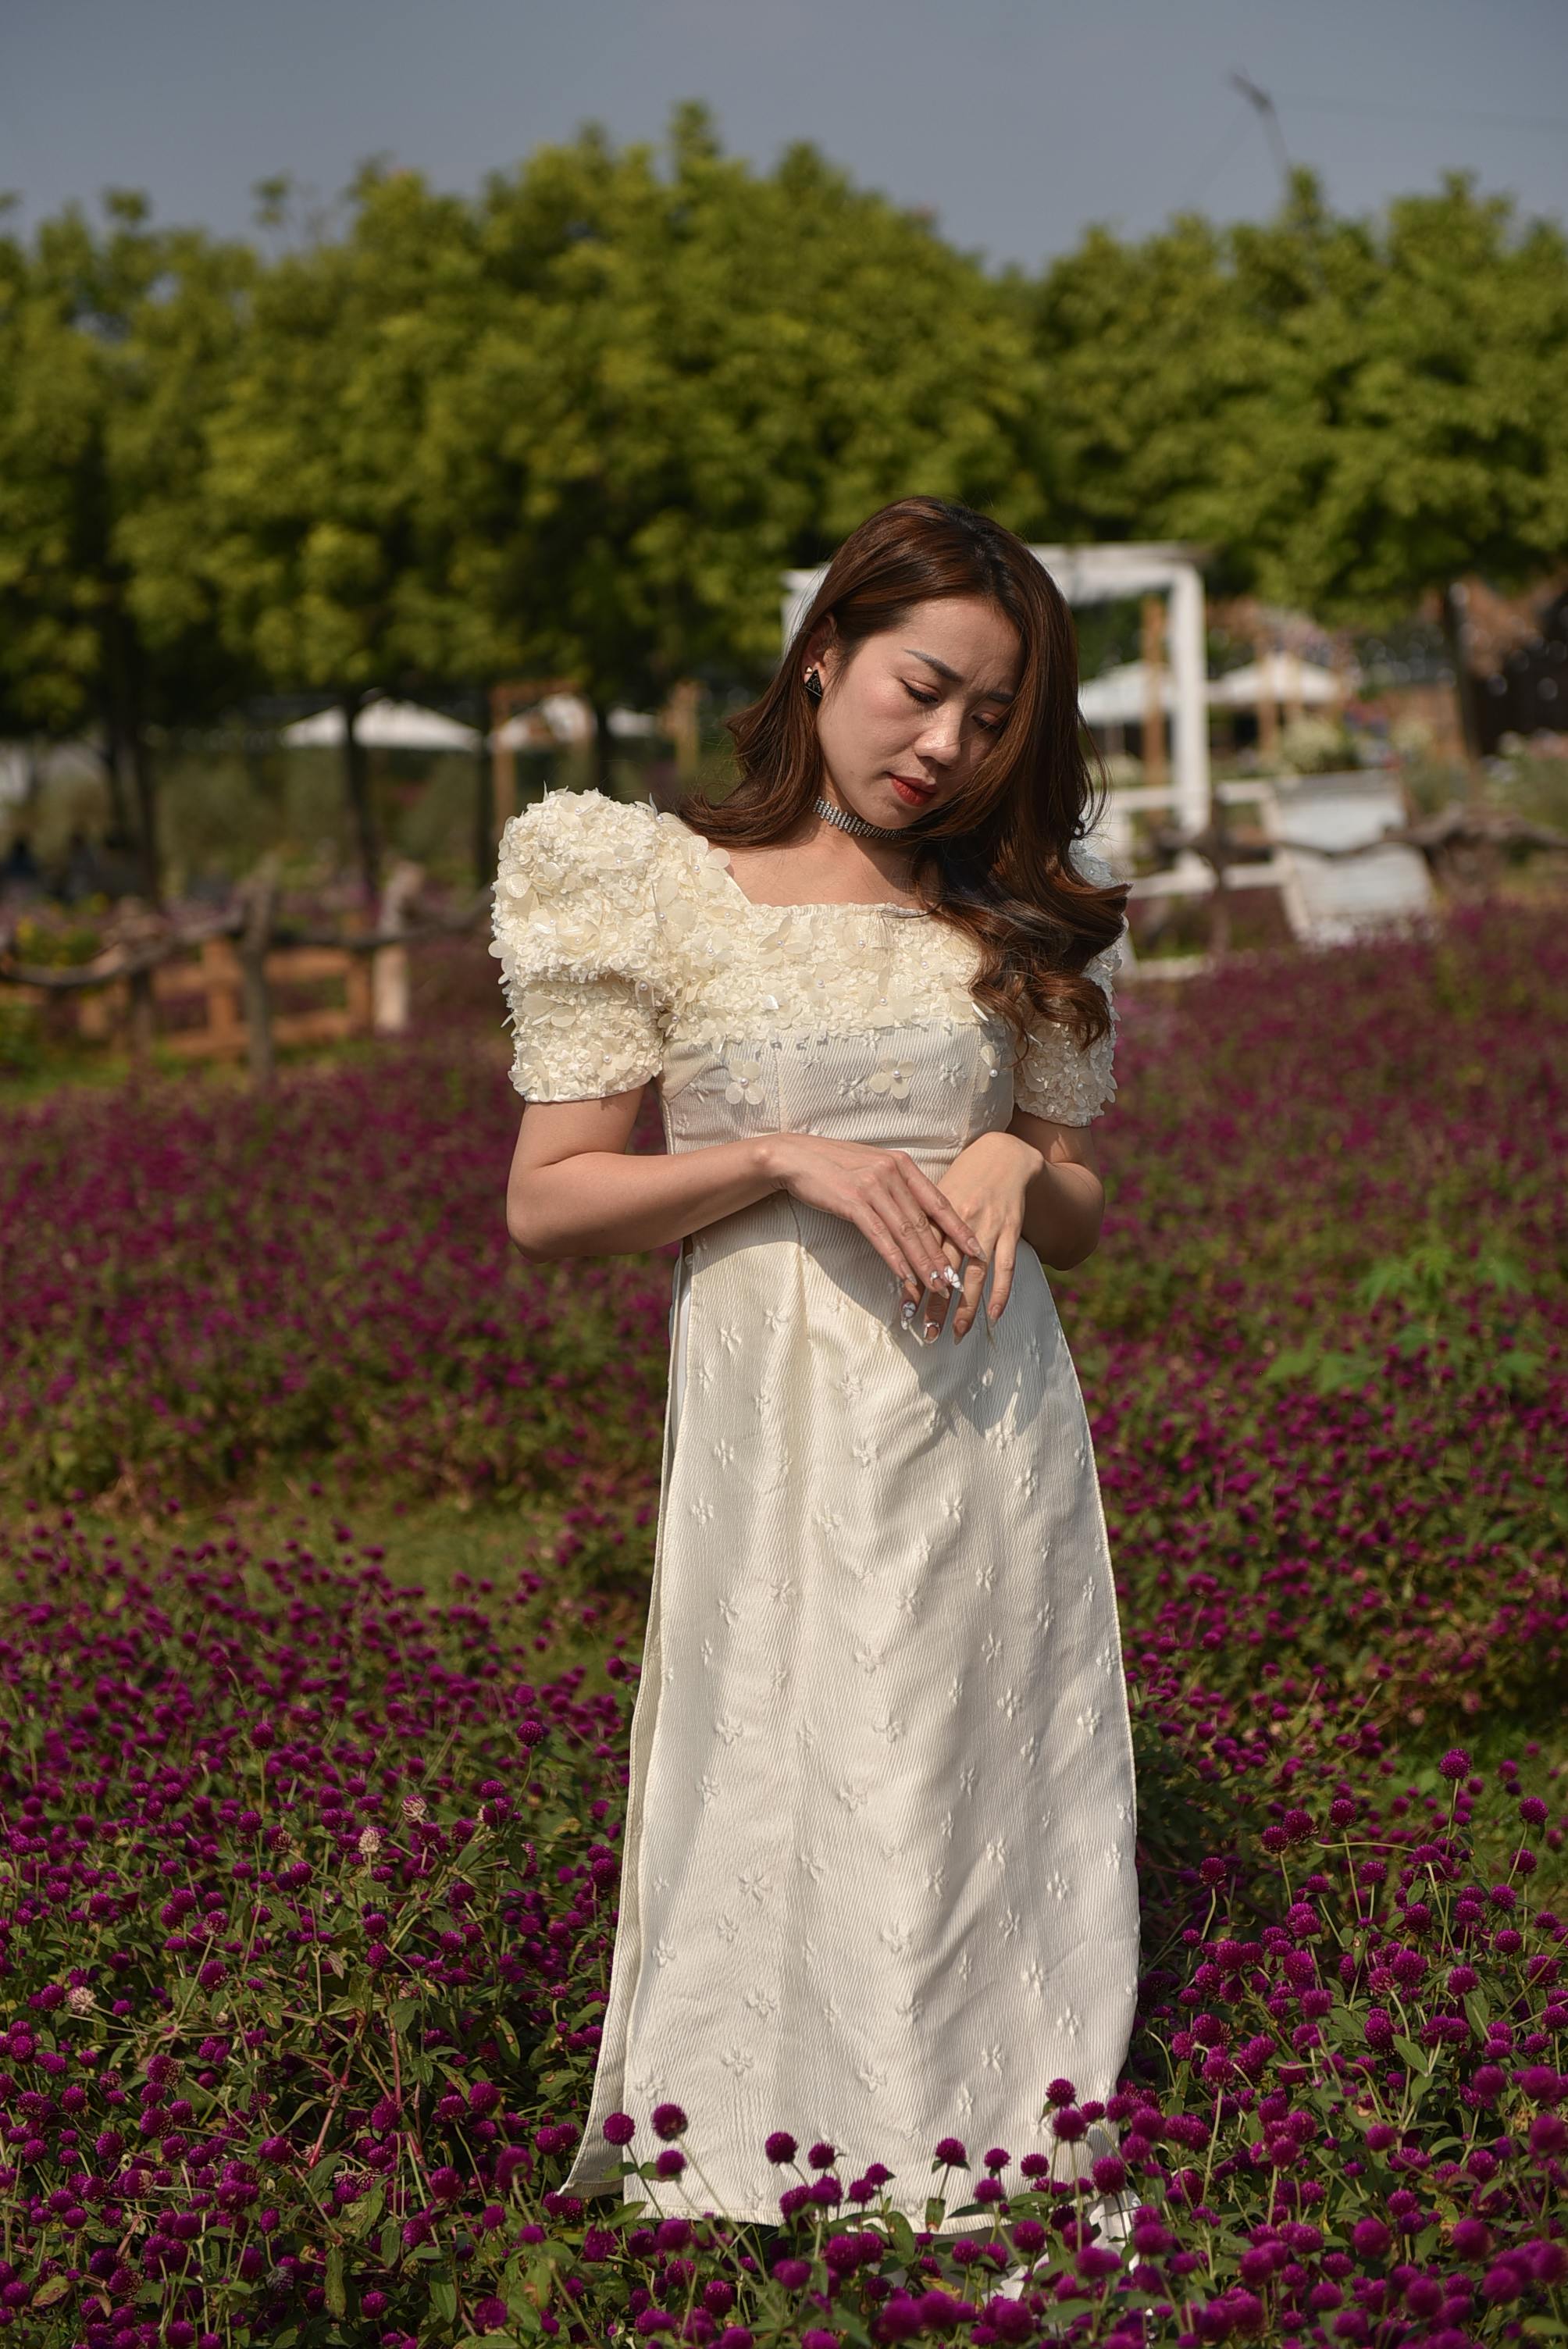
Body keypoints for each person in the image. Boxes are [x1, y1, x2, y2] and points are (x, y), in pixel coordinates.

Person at [490, 497, 1140, 2241]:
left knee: (966, 1749)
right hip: (776, 1416)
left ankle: (985, 2131)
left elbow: (1073, 1205)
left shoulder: (1001, 920)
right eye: (921, 688)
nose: (943, 745)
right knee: (791, 1731)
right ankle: (769, 2155)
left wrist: (1017, 1163)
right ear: (823, 652)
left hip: (980, 1401)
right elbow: (551, 1204)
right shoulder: (648, 885)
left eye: (992, 719)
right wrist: (779, 1158)